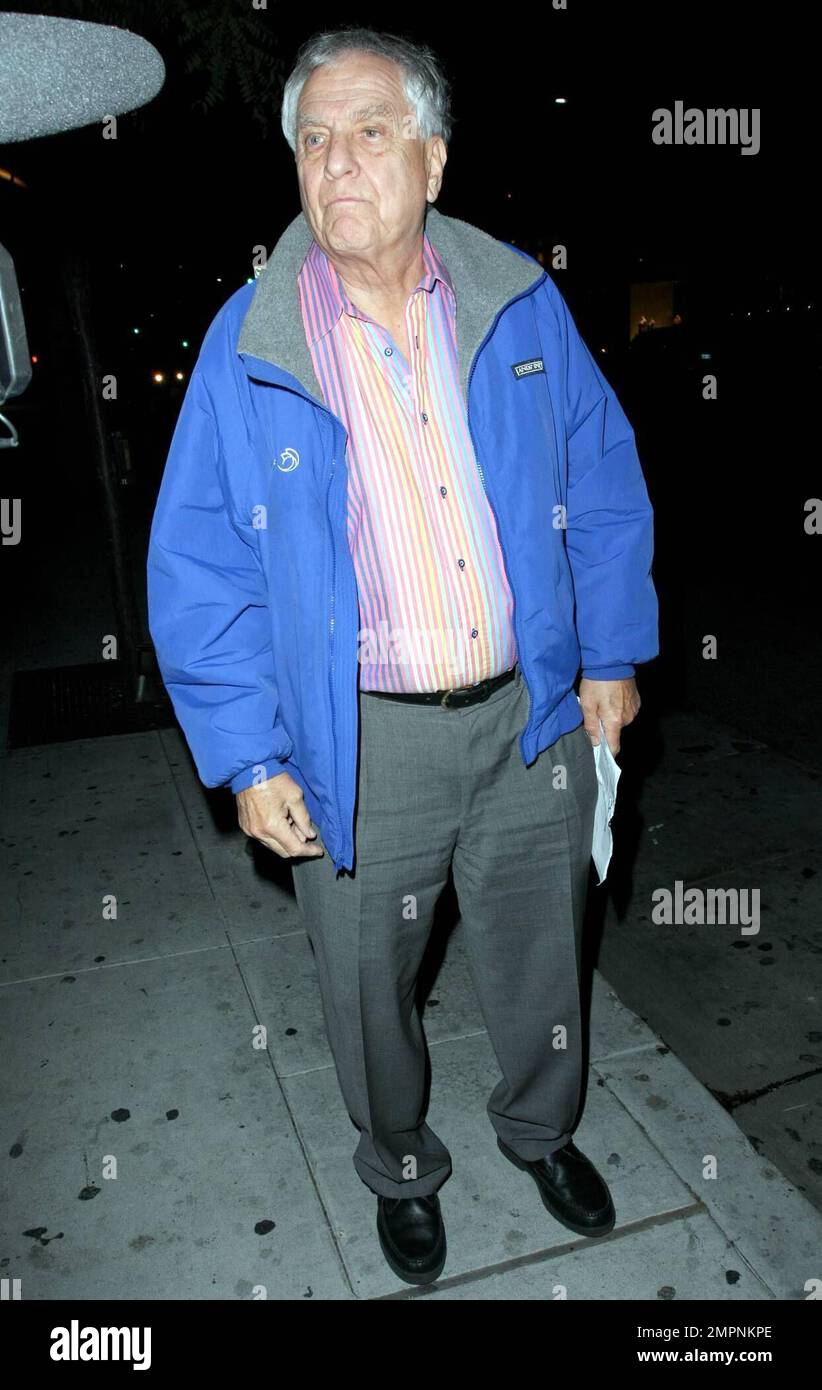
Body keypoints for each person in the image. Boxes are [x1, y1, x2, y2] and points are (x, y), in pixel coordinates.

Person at [147, 25, 659, 1286]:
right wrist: (248, 751)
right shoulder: (248, 342)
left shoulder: (518, 301)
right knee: (367, 983)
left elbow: (598, 480)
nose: (339, 162)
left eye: (371, 132)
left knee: (545, 947)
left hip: (530, 713)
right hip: (358, 738)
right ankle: (402, 1166)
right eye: (315, 140)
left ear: (431, 158)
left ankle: (540, 1130)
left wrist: (610, 653)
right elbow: (199, 563)